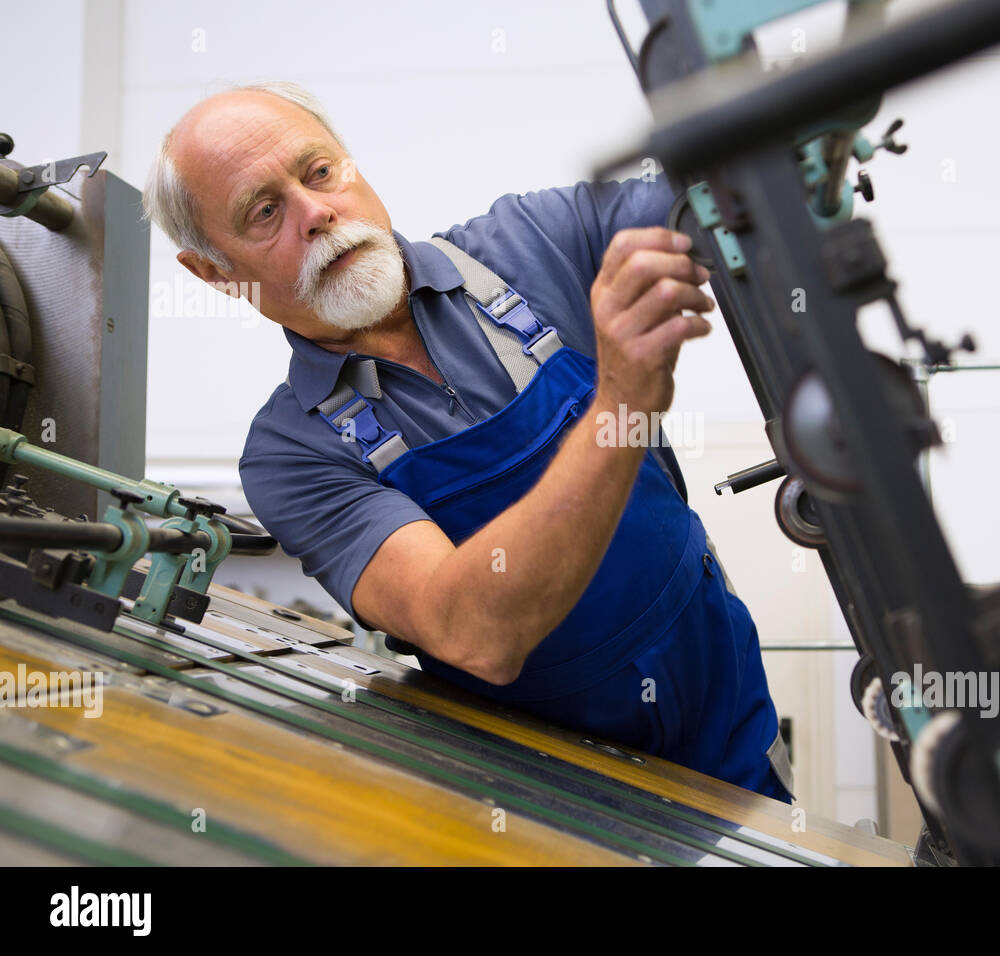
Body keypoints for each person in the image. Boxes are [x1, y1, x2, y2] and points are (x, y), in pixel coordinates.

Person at [142, 81, 795, 803]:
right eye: (265, 212)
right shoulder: (292, 454)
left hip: (727, 709)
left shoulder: (536, 241)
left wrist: (793, 128)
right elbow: (473, 633)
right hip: (549, 798)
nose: (316, 213)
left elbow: (730, 193)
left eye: (320, 172)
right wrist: (620, 402)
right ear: (216, 272)